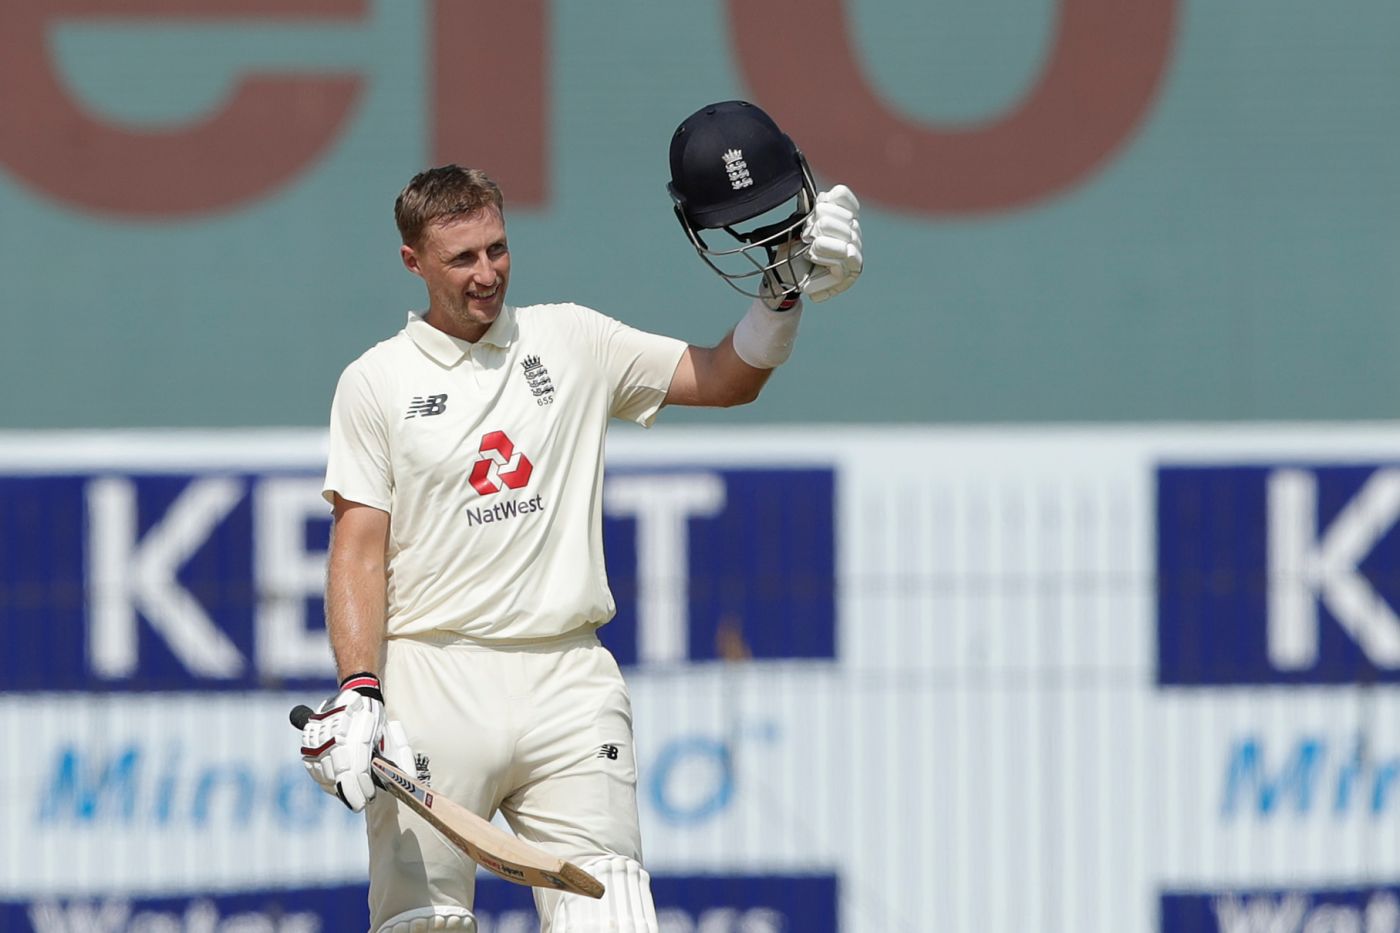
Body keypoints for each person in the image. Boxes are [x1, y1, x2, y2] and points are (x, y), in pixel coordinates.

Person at [297, 101, 863, 933]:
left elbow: (724, 377)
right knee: (425, 923)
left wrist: (783, 292)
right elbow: (357, 549)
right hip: (433, 679)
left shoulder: (569, 339)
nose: (486, 273)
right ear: (413, 261)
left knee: (616, 918)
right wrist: (357, 689)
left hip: (567, 676)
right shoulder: (375, 381)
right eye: (461, 259)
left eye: (497, 249)